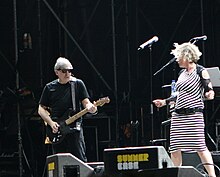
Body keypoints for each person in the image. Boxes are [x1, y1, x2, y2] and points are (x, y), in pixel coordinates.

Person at [153, 42, 216, 177]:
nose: (177, 59)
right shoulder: (182, 73)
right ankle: (177, 173)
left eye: (178, 56)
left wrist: (209, 94)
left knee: (200, 146)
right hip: (178, 115)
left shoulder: (200, 70)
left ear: (186, 56)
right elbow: (178, 94)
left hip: (193, 115)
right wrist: (164, 102)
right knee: (175, 148)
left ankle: (212, 175)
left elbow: (209, 89)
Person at [38, 57, 97, 162]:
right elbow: (41, 109)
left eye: (69, 71)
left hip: (74, 127)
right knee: (59, 160)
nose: (67, 73)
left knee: (79, 158)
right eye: (64, 71)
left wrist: (91, 108)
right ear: (57, 72)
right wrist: (51, 123)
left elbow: (86, 102)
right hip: (57, 128)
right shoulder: (49, 87)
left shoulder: (77, 84)